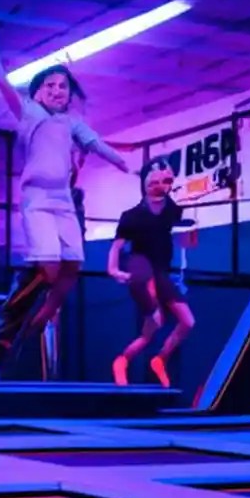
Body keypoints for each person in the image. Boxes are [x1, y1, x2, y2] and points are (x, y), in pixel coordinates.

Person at [0, 15, 129, 389]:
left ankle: (43, 315)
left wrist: (121, 161)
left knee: (73, 264)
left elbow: (94, 142)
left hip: (63, 200)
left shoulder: (71, 121)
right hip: (37, 198)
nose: (58, 91)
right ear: (38, 92)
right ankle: (4, 316)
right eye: (51, 85)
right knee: (50, 267)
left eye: (63, 86)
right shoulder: (28, 111)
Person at [107, 158, 196, 387]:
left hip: (162, 272)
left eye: (165, 181)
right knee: (153, 324)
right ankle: (122, 360)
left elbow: (187, 233)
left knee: (186, 322)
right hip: (143, 268)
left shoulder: (172, 210)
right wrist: (113, 269)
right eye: (154, 182)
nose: (160, 186)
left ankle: (159, 359)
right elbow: (116, 247)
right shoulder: (131, 216)